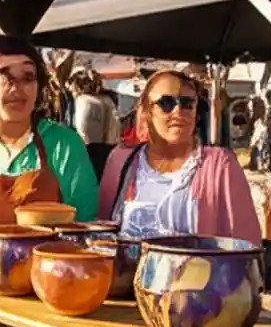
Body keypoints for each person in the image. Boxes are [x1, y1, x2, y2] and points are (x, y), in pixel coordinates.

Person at [0, 35, 98, 223]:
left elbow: (86, 226)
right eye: (5, 77)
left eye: (28, 77)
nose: (17, 88)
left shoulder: (64, 145)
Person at [97, 70, 261, 244]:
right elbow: (102, 234)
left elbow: (247, 246)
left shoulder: (219, 165)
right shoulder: (120, 161)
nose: (178, 111)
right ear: (146, 112)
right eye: (166, 103)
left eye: (187, 103)